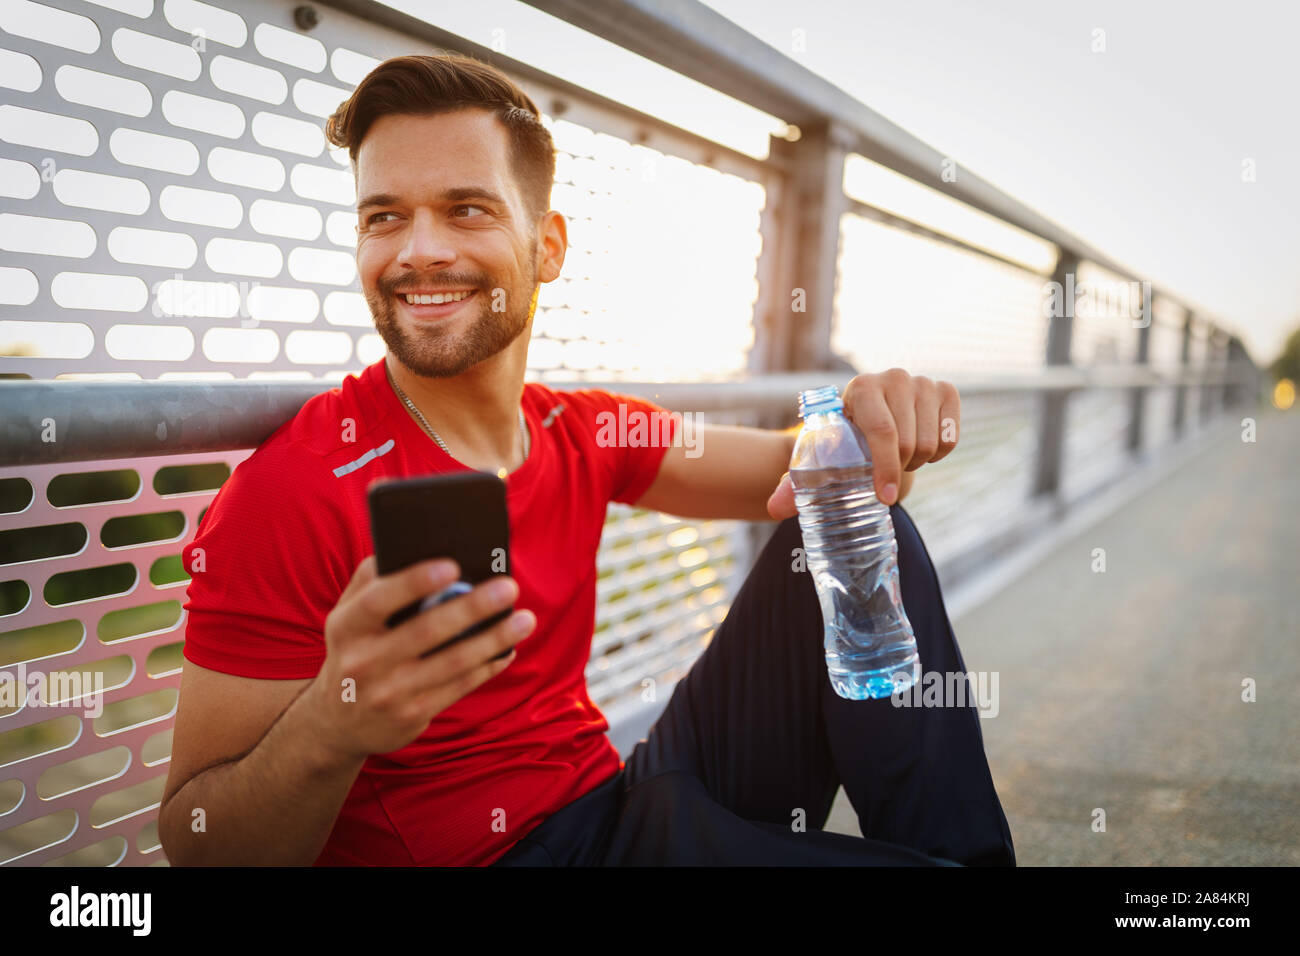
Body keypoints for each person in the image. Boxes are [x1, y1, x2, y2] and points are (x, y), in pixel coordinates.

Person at [158, 53, 1013, 867]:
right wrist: (334, 722)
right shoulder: (293, 489)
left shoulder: (585, 431)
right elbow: (201, 844)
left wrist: (873, 419)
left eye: (466, 209)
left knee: (856, 510)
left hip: (618, 809)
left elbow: (806, 472)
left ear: (549, 248)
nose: (418, 250)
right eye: (383, 217)